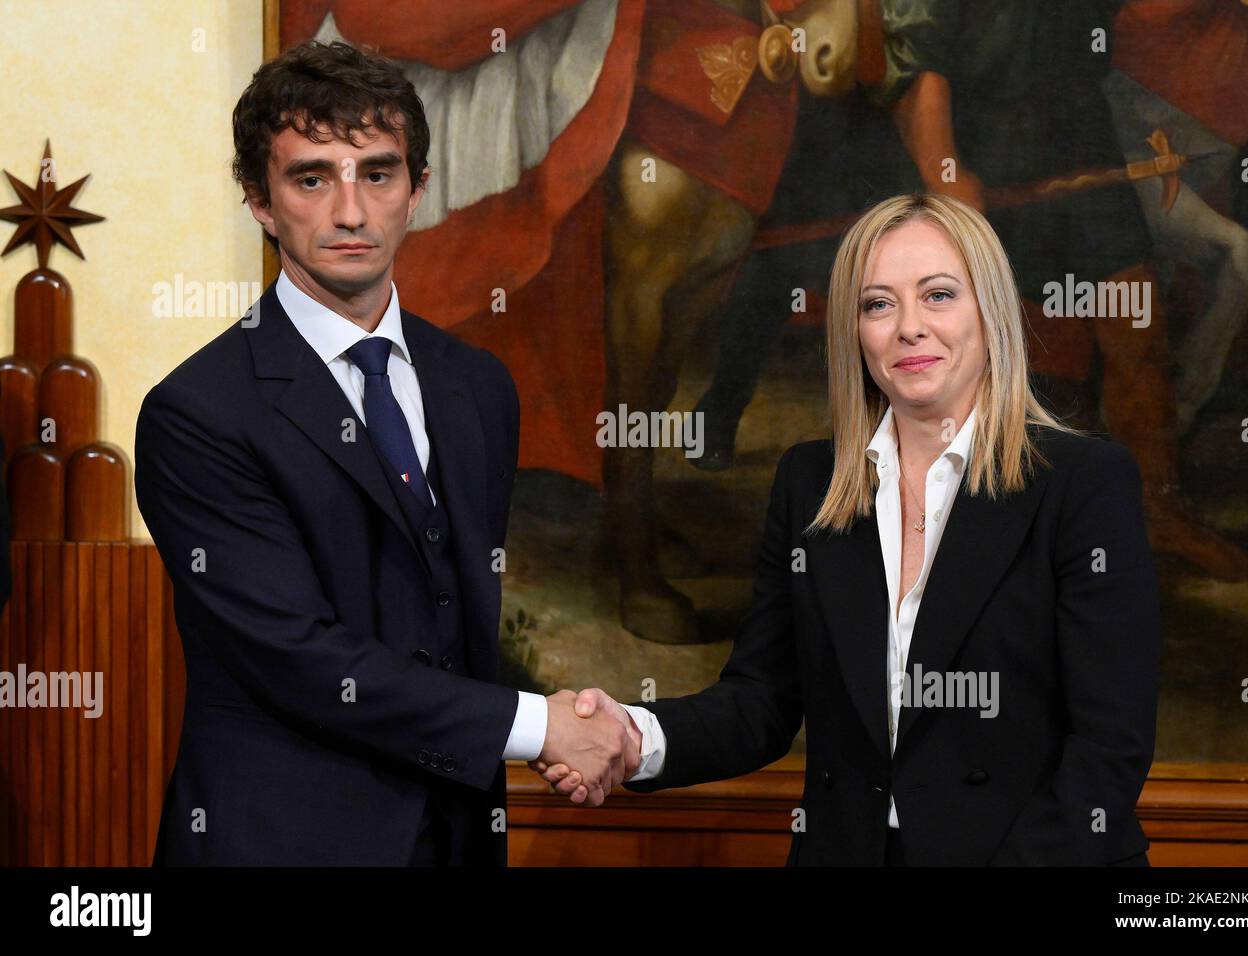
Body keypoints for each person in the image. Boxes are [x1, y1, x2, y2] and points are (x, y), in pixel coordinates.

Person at [533, 193, 1162, 866]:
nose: (909, 328)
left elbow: (1108, 747)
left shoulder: (1083, 483)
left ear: (992, 312)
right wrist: (633, 737)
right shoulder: (811, 484)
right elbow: (761, 702)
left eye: (940, 295)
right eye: (878, 304)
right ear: (853, 330)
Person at [135, 40, 637, 866]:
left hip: (457, 837)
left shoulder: (480, 386)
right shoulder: (197, 413)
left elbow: (449, 622)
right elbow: (298, 659)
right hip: (280, 844)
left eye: (377, 173)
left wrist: (551, 730)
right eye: (311, 177)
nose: (350, 211)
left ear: (418, 191)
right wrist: (538, 725)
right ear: (260, 201)